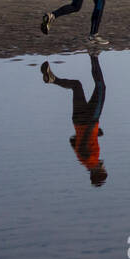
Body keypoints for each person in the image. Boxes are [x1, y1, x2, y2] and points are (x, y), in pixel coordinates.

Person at [40, 54, 108, 186]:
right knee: (76, 86)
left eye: (103, 170)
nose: (104, 166)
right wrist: (95, 134)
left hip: (90, 119)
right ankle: (52, 79)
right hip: (78, 120)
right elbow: (73, 141)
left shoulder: (91, 159)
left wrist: (91, 129)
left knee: (101, 87)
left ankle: (94, 55)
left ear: (98, 171)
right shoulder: (83, 161)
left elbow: (83, 145)